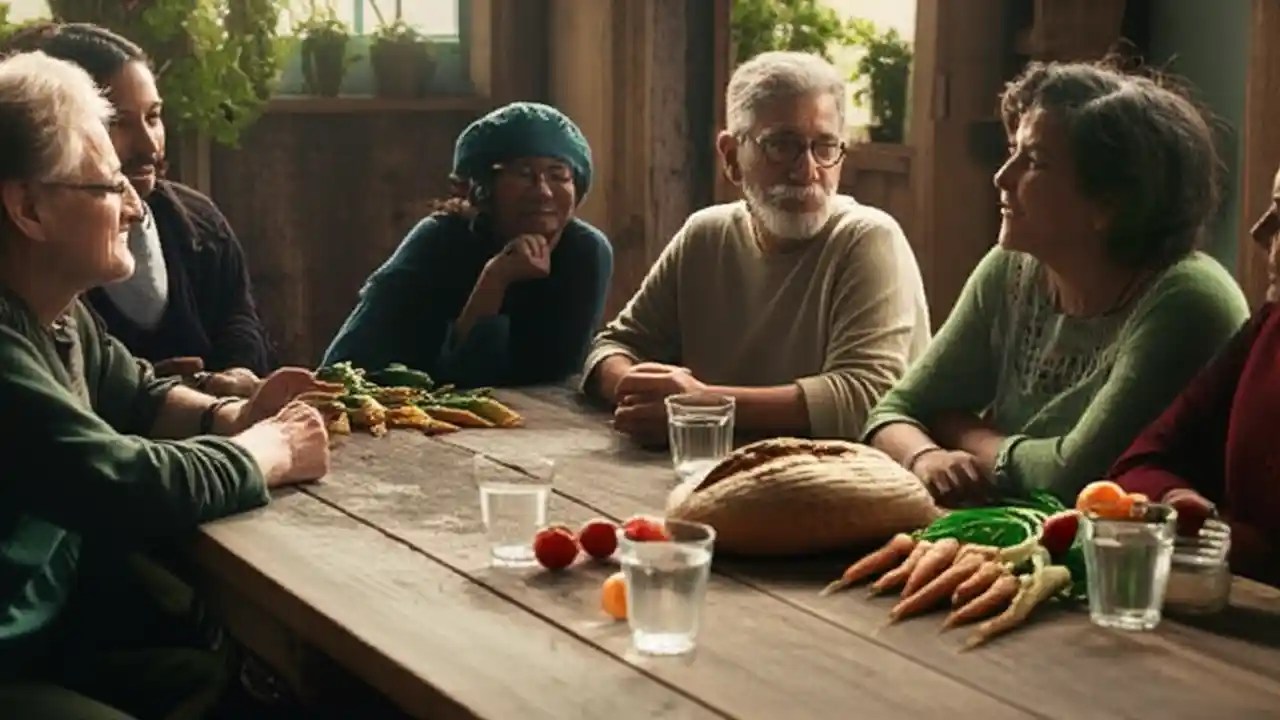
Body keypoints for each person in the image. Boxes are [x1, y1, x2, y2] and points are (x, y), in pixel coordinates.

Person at [0, 50, 329, 719]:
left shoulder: (59, 317)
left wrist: (233, 417)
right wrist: (265, 452)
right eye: (104, 186)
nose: (131, 207)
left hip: (46, 643)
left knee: (239, 685)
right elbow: (117, 480)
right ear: (28, 207)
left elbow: (139, 396)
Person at [863, 60, 1250, 507]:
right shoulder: (1012, 269)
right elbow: (893, 412)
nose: (1002, 177)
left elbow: (1076, 476)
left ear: (1111, 203)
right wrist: (926, 456)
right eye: (1012, 150)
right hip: (1013, 538)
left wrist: (965, 431)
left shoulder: (1189, 304)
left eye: (1034, 162)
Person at [582, 51, 930, 444]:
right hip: (708, 471)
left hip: (842, 486)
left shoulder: (868, 239)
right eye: (782, 146)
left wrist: (703, 404)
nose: (807, 171)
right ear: (731, 157)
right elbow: (615, 345)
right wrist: (634, 388)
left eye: (825, 146)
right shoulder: (705, 235)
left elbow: (867, 399)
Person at [2, 22, 275, 396]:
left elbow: (238, 318)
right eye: (118, 122)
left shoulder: (200, 223)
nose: (148, 143)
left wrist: (233, 378)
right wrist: (153, 389)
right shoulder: (48, 262)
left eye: (154, 117)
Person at [322, 101, 613, 387]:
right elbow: (345, 365)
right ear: (482, 188)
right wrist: (495, 279)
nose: (543, 191)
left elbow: (551, 374)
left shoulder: (585, 252)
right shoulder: (437, 242)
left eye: (558, 175)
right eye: (524, 174)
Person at [1104, 164, 1280, 586]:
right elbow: (1139, 462)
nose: (1259, 233)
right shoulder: (1267, 331)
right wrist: (1176, 500)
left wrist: (1236, 545)